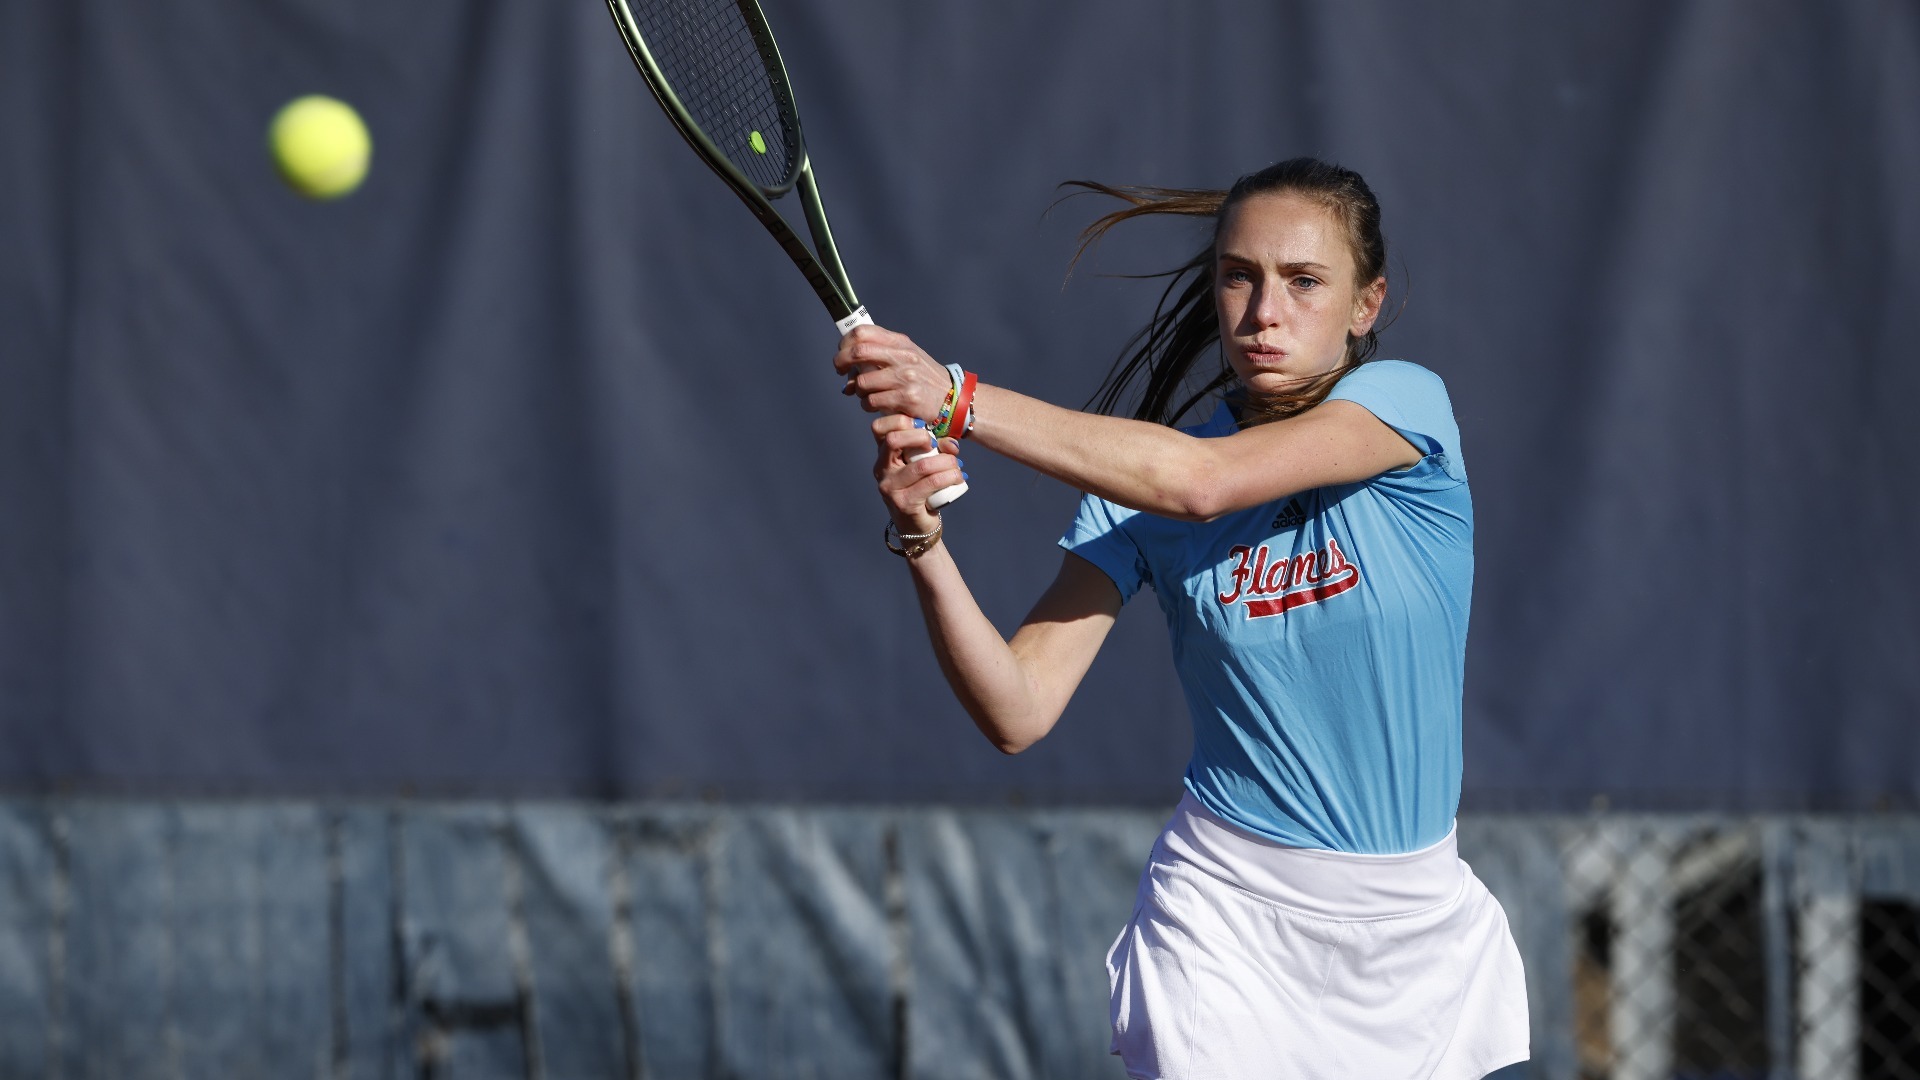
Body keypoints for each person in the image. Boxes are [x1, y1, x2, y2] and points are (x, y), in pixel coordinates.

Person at [834, 157, 1528, 1080]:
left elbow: (1203, 487)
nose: (1263, 310)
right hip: (1226, 921)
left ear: (1367, 304)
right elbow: (1018, 709)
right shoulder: (1137, 491)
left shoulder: (1406, 409)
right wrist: (924, 542)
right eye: (1239, 276)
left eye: (1304, 281)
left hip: (1418, 937)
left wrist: (956, 399)